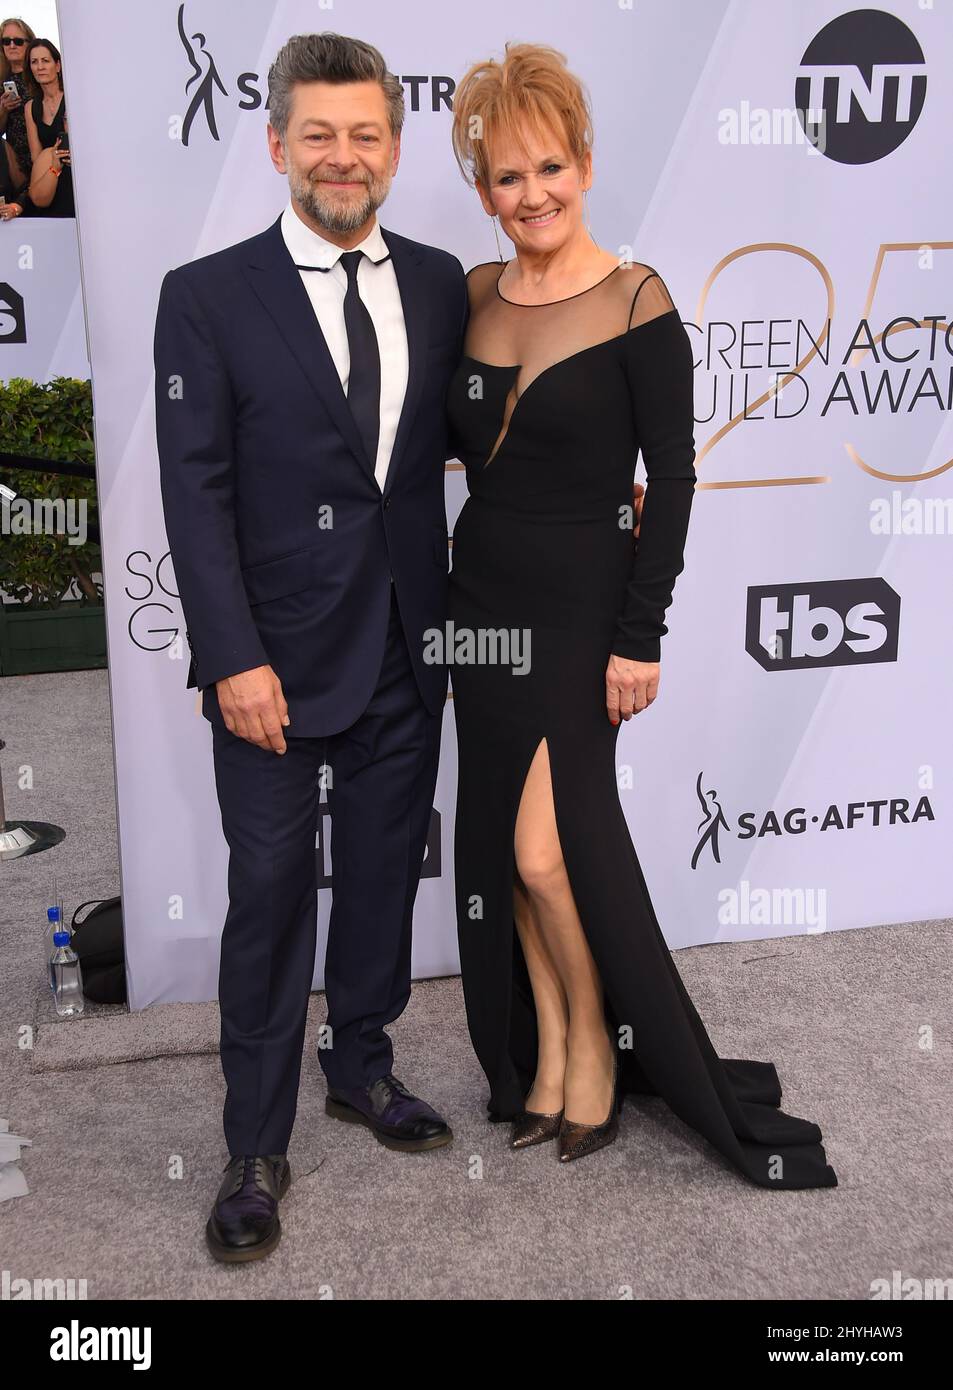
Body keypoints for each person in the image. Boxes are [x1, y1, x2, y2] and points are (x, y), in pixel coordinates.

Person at [445, 43, 837, 1189]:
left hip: (580, 608)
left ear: (583, 161)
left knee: (544, 850)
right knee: (507, 859)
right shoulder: (472, 293)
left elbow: (670, 479)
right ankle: (554, 1043)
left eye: (549, 168)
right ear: (483, 188)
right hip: (479, 603)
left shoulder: (634, 300)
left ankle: (594, 1053)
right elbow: (439, 440)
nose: (532, 196)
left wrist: (638, 632)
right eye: (507, 178)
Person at [153, 33, 468, 1263]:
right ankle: (252, 1143)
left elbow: (479, 433)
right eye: (320, 135)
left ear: (394, 146)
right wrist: (231, 656)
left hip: (404, 646)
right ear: (277, 143)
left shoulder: (443, 281)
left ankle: (365, 1066)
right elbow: (195, 491)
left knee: (384, 875)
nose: (345, 157)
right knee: (273, 897)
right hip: (270, 667)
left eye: (367, 134)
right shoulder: (208, 294)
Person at [23, 38, 72, 217]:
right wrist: (50, 165)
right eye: (34, 62)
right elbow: (36, 156)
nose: (40, 67)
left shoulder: (73, 97)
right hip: (49, 175)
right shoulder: (30, 108)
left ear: (58, 65)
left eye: (45, 60)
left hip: (75, 173)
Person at [0, 16, 35, 196]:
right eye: (6, 41)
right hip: (15, 160)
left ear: (29, 44)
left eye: (18, 41)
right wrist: (3, 110)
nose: (11, 46)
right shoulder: (1, 81)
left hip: (44, 153)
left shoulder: (40, 75)